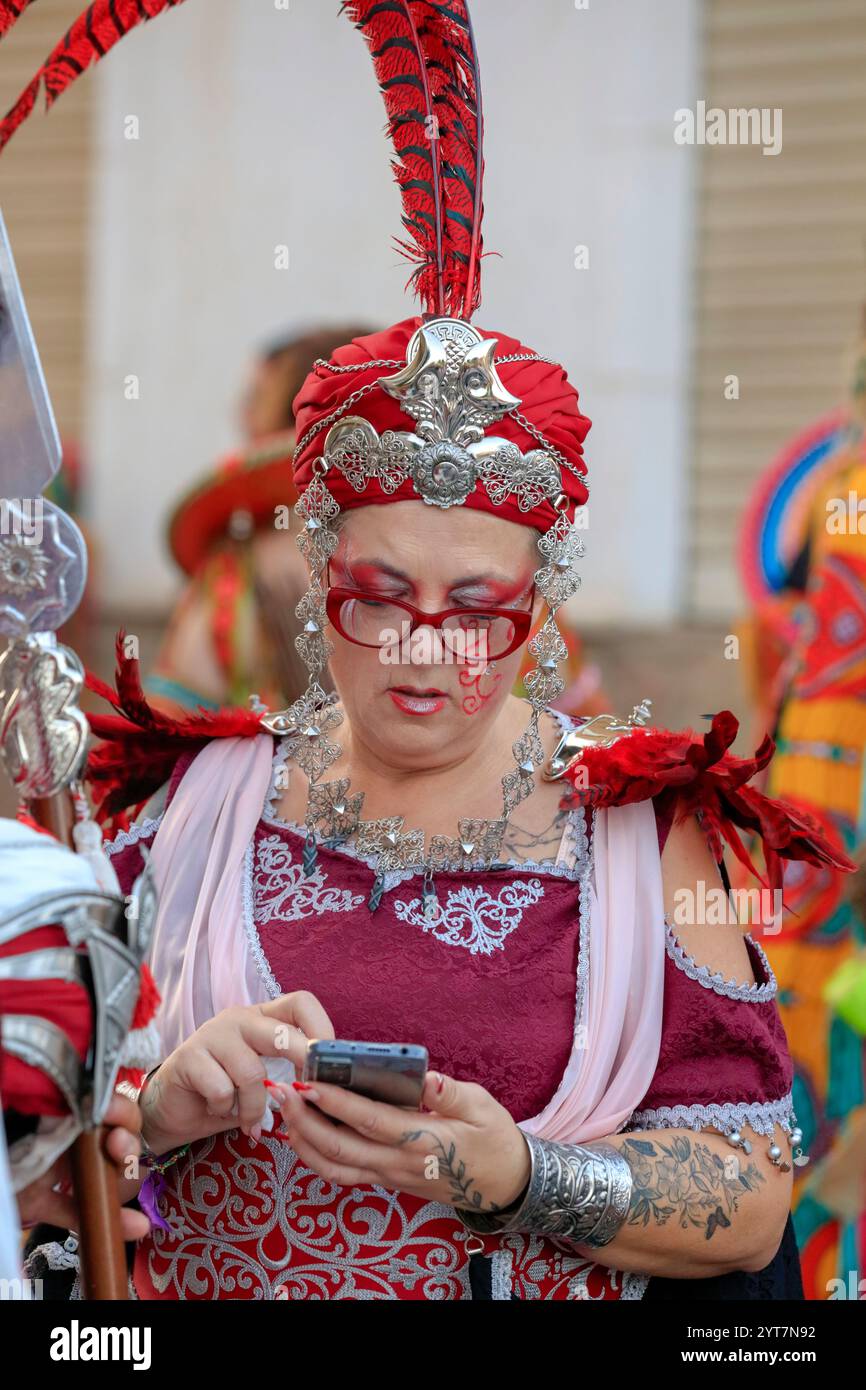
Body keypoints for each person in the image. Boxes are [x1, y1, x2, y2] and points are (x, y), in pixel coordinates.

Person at [4, 0, 852, 1302]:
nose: (420, 642)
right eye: (375, 593)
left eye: (479, 607)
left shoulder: (639, 832)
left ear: (545, 600)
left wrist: (514, 1172)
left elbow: (745, 1195)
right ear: (311, 573)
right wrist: (158, 1104)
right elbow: (38, 1189)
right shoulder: (181, 808)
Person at [147, 327, 373, 715]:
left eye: (255, 399)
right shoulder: (434, 544)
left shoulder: (237, 569)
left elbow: (168, 719)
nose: (241, 415)